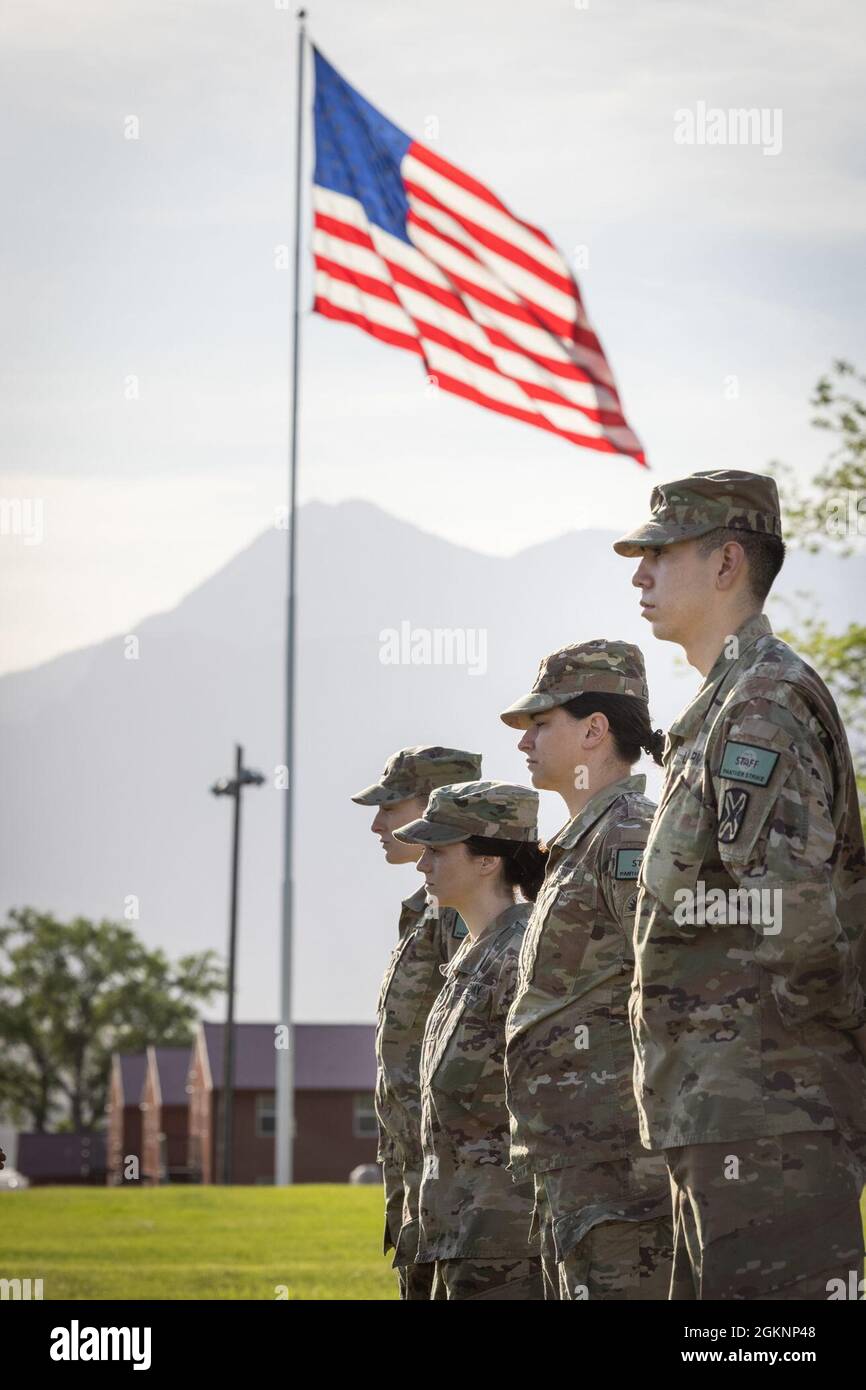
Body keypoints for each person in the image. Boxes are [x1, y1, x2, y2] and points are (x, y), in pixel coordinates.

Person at [613, 468, 866, 1300]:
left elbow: (795, 921)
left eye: (660, 553)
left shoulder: (763, 703)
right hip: (724, 1114)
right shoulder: (718, 708)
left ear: (727, 563)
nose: (639, 574)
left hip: (770, 1121)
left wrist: (807, 1081)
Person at [499, 641, 673, 1300]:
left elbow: (671, 983)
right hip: (578, 1163)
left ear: (594, 730)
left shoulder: (628, 836)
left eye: (542, 724)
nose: (525, 744)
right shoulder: (582, 844)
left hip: (621, 1170)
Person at [392, 780, 546, 1300]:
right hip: (456, 1229)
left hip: (506, 1236)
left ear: (488, 861)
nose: (422, 863)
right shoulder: (469, 956)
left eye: (438, 850)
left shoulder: (523, 957)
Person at [351, 745, 481, 1299]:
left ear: (436, 807)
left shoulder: (465, 907)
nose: (378, 825)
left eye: (391, 807)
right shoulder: (430, 907)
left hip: (455, 1172)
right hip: (418, 1164)